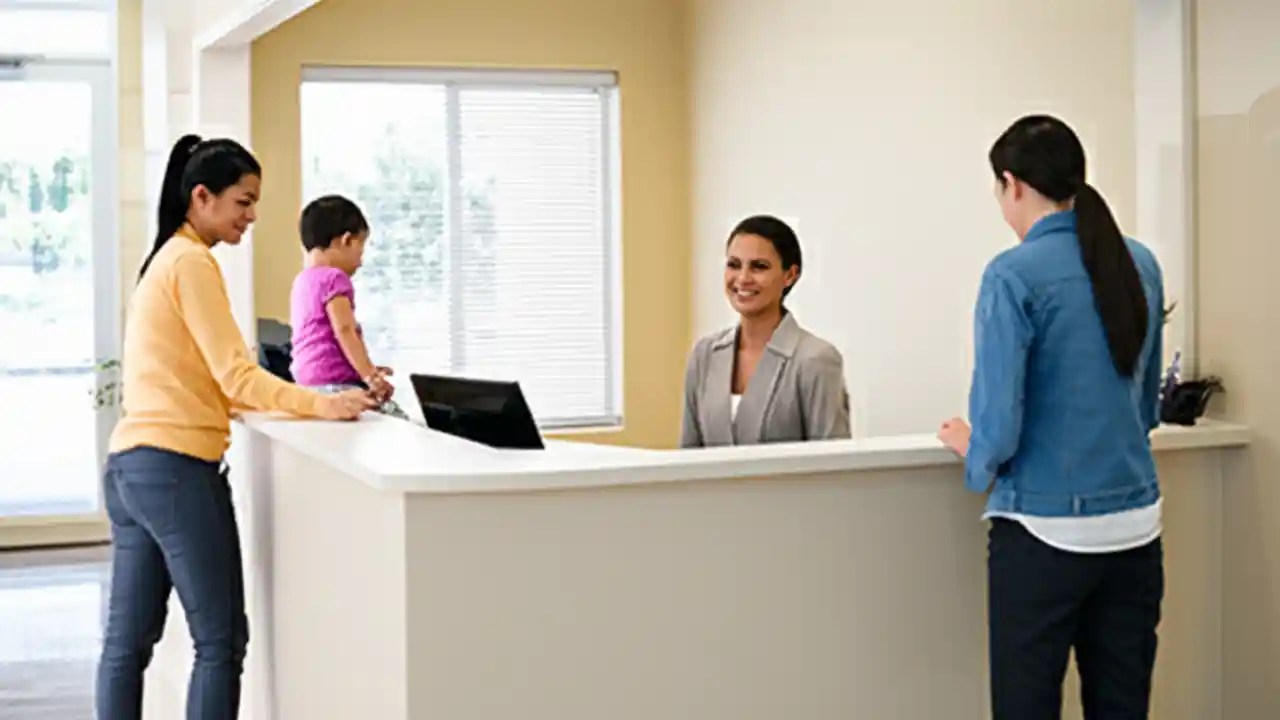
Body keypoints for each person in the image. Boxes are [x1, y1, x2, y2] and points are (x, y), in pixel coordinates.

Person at [97, 135, 378, 720]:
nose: (252, 217)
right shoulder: (191, 262)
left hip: (129, 468)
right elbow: (235, 374)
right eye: (243, 202)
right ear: (202, 197)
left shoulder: (162, 260)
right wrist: (320, 404)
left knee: (126, 647)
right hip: (175, 471)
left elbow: (200, 377)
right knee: (221, 643)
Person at [937, 115, 1166, 719]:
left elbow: (1000, 424)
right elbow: (1144, 408)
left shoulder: (1011, 274)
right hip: (1137, 528)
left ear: (1011, 184)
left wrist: (972, 450)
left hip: (1045, 537)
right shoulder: (1139, 262)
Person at [681, 214, 851, 447]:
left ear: (790, 275)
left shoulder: (816, 359)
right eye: (734, 265)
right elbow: (688, 460)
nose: (743, 278)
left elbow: (835, 469)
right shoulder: (704, 355)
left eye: (759, 267)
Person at [288, 194, 409, 419]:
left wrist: (363, 367)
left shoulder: (302, 281)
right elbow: (345, 330)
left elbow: (322, 340)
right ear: (346, 240)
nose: (361, 262)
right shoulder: (335, 278)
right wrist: (371, 377)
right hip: (338, 387)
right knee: (402, 420)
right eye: (360, 250)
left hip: (308, 387)